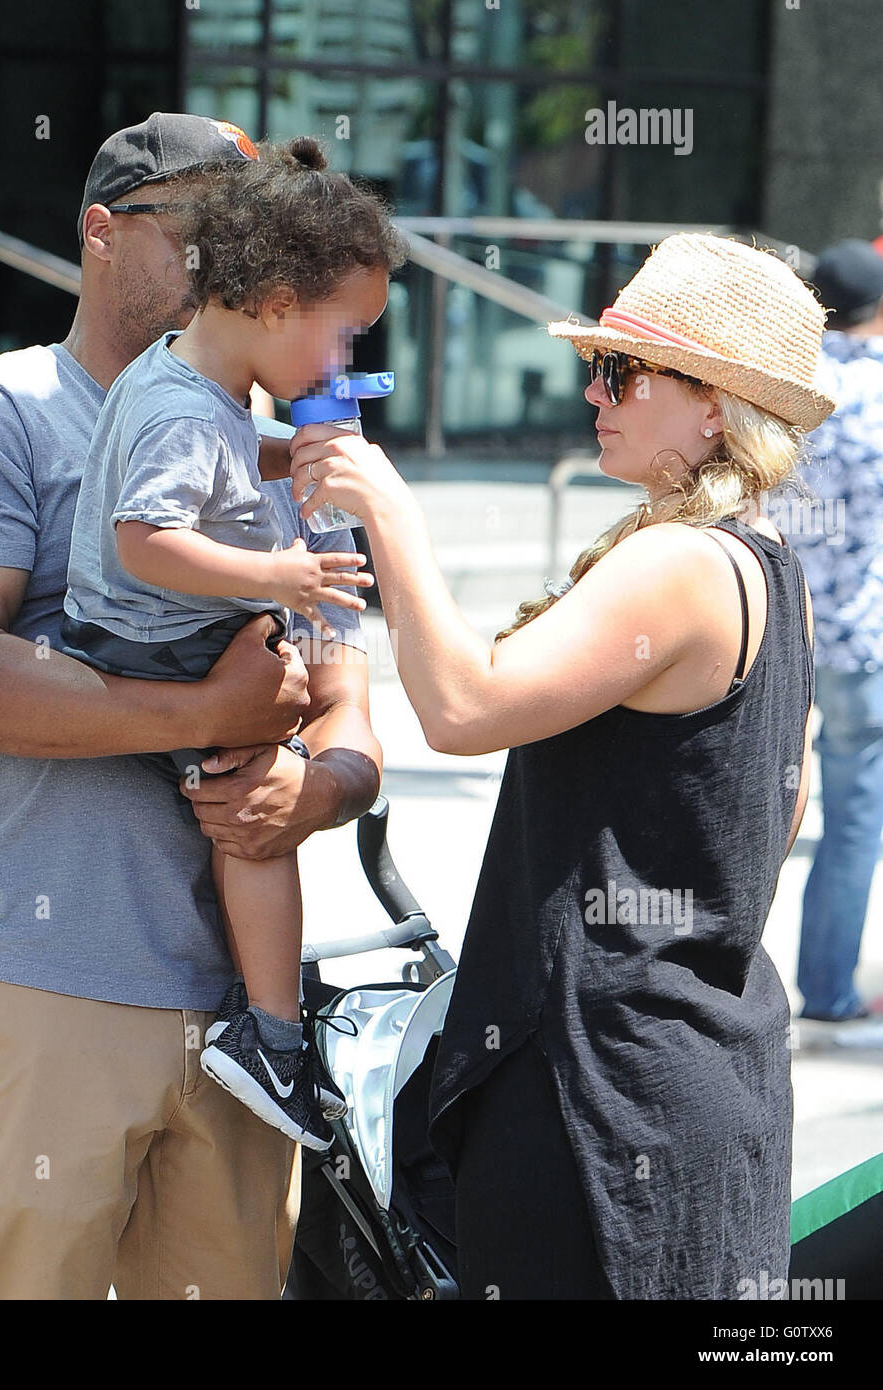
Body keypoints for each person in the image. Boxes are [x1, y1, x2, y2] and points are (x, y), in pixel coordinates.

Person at [0, 112, 383, 1300]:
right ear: (102, 233)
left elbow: (350, 696)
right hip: (44, 983)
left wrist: (322, 786)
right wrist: (212, 706)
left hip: (247, 1024)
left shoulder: (291, 447)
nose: (237, 255)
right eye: (203, 224)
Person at [289, 232, 835, 1298]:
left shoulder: (678, 561)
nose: (595, 390)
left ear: (716, 404)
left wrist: (390, 516)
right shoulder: (768, 567)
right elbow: (774, 809)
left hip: (599, 1089)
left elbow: (459, 708)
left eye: (624, 370)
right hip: (699, 1075)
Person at [59, 136, 405, 1149]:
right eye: (345, 337)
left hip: (155, 631)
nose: (346, 363)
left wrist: (284, 451)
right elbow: (145, 538)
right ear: (279, 303)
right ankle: (272, 1036)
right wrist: (280, 576)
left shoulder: (188, 382)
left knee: (269, 784)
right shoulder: (178, 410)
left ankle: (270, 1018)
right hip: (155, 640)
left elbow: (215, 448)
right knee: (259, 812)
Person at [788, 239, 883, 1023]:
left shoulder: (788, 385)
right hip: (863, 638)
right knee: (853, 818)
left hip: (779, 626)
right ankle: (827, 990)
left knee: (760, 812)